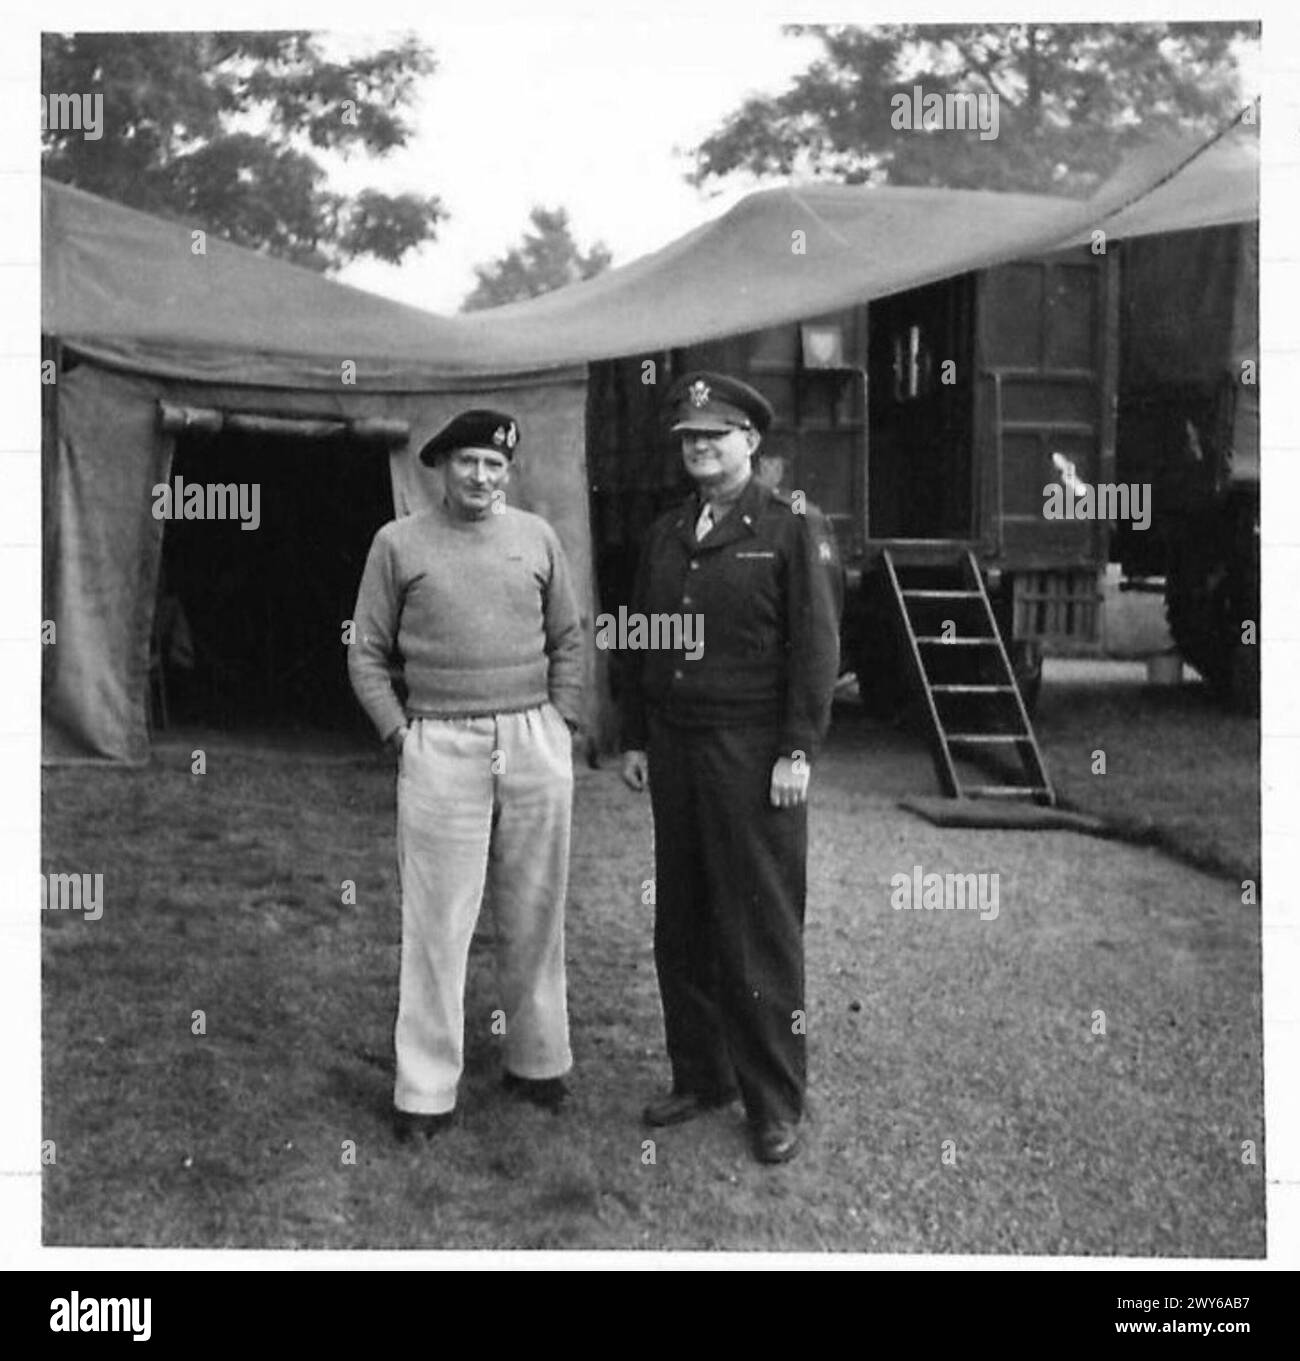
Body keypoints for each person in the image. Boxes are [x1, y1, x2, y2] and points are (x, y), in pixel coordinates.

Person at [620, 371, 842, 1165]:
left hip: (752, 754)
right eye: (688, 436)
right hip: (677, 746)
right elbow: (642, 636)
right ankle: (701, 1074)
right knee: (682, 919)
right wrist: (638, 737)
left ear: (752, 440)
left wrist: (797, 750)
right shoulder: (668, 530)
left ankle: (774, 1099)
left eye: (715, 434)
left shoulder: (791, 528)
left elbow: (815, 651)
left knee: (757, 927)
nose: (700, 447)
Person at [348, 409, 584, 1141]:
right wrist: (400, 731)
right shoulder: (398, 543)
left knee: (535, 907)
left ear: (508, 472)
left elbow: (570, 637)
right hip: (440, 742)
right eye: (468, 463)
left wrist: (561, 722)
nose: (482, 477)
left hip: (531, 735)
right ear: (440, 467)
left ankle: (538, 1060)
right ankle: (424, 1090)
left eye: (495, 465)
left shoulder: (537, 538)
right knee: (438, 919)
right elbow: (365, 650)